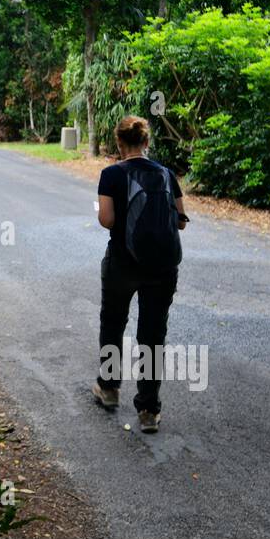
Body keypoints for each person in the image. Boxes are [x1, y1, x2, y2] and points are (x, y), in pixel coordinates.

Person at [92, 115, 188, 433]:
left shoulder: (111, 175)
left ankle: (108, 389)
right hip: (162, 268)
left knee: (113, 325)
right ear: (147, 143)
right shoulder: (166, 174)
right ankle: (148, 409)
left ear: (119, 144)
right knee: (152, 336)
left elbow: (106, 220)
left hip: (122, 264)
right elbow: (182, 222)